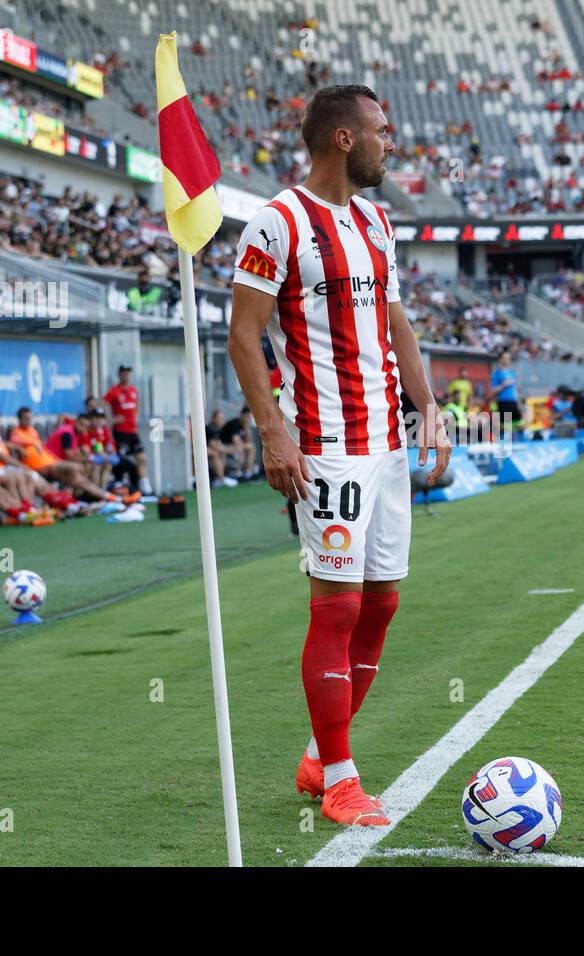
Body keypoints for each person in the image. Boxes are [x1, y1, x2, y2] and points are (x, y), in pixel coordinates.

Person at [229, 84, 450, 828]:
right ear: (345, 140)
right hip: (325, 445)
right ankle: (340, 778)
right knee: (338, 606)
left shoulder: (379, 223)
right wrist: (272, 429)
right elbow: (243, 334)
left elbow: (399, 328)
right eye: (382, 131)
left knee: (382, 603)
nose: (393, 142)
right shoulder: (278, 221)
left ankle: (322, 757)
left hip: (386, 443)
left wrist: (429, 411)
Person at [103, 367, 152, 494]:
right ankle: (117, 486)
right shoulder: (114, 391)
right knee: (120, 460)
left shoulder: (133, 390)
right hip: (121, 432)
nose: (126, 375)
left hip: (133, 432)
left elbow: (136, 406)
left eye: (128, 373)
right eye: (124, 373)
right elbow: (102, 404)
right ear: (119, 375)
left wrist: (134, 416)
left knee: (142, 458)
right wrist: (111, 419)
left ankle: (145, 487)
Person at [490, 351, 519, 435]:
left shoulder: (511, 372)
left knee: (519, 424)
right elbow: (493, 390)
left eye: (508, 358)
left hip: (513, 402)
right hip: (504, 402)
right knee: (506, 426)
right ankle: (506, 444)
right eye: (505, 358)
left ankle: (517, 443)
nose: (507, 360)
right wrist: (503, 384)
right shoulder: (496, 373)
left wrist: (517, 401)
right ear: (500, 359)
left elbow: (514, 389)